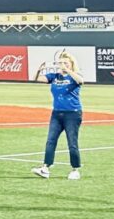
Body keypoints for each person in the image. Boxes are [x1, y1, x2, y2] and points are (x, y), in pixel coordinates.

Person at [31, 52, 86, 180]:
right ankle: (45, 168)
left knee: (72, 142)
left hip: (72, 113)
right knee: (51, 140)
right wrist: (39, 70)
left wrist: (68, 70)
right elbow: (38, 79)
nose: (62, 65)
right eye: (60, 63)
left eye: (65, 63)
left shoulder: (74, 76)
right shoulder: (55, 76)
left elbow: (81, 81)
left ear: (71, 64)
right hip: (56, 113)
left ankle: (75, 169)